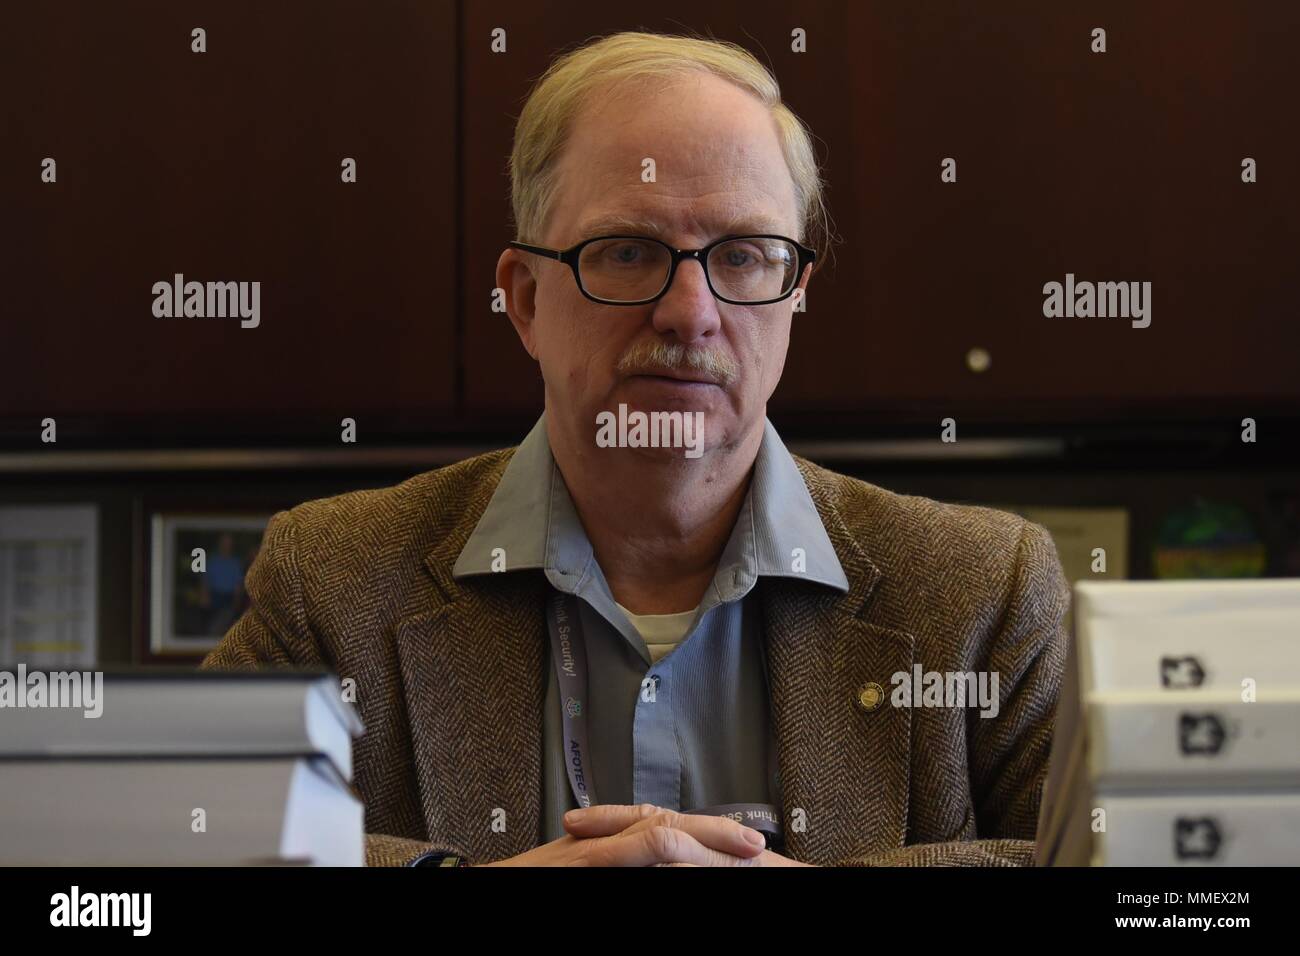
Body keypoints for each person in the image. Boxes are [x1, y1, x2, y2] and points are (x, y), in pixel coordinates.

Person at [203, 30, 1070, 867]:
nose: (690, 311)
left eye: (742, 255)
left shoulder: (984, 594)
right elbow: (183, 843)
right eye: (626, 251)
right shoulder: (333, 583)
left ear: (794, 293)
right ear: (526, 300)